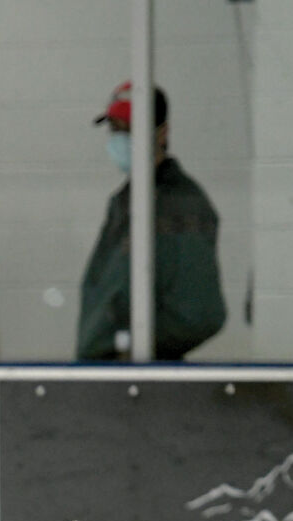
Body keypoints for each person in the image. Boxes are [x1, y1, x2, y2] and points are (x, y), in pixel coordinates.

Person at [77, 82, 226, 361]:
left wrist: (131, 349)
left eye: (129, 129)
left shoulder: (179, 205)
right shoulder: (126, 201)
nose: (119, 139)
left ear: (162, 133)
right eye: (115, 128)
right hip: (106, 377)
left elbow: (201, 314)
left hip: (139, 386)